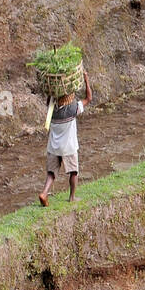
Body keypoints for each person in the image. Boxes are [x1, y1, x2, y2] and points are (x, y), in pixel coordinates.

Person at [39, 70, 92, 206]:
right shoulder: (73, 108)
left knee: (51, 173)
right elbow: (88, 99)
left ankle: (44, 193)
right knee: (74, 172)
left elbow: (49, 99)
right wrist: (86, 79)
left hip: (53, 147)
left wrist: (52, 91)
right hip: (68, 147)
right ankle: (72, 197)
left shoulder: (53, 109)